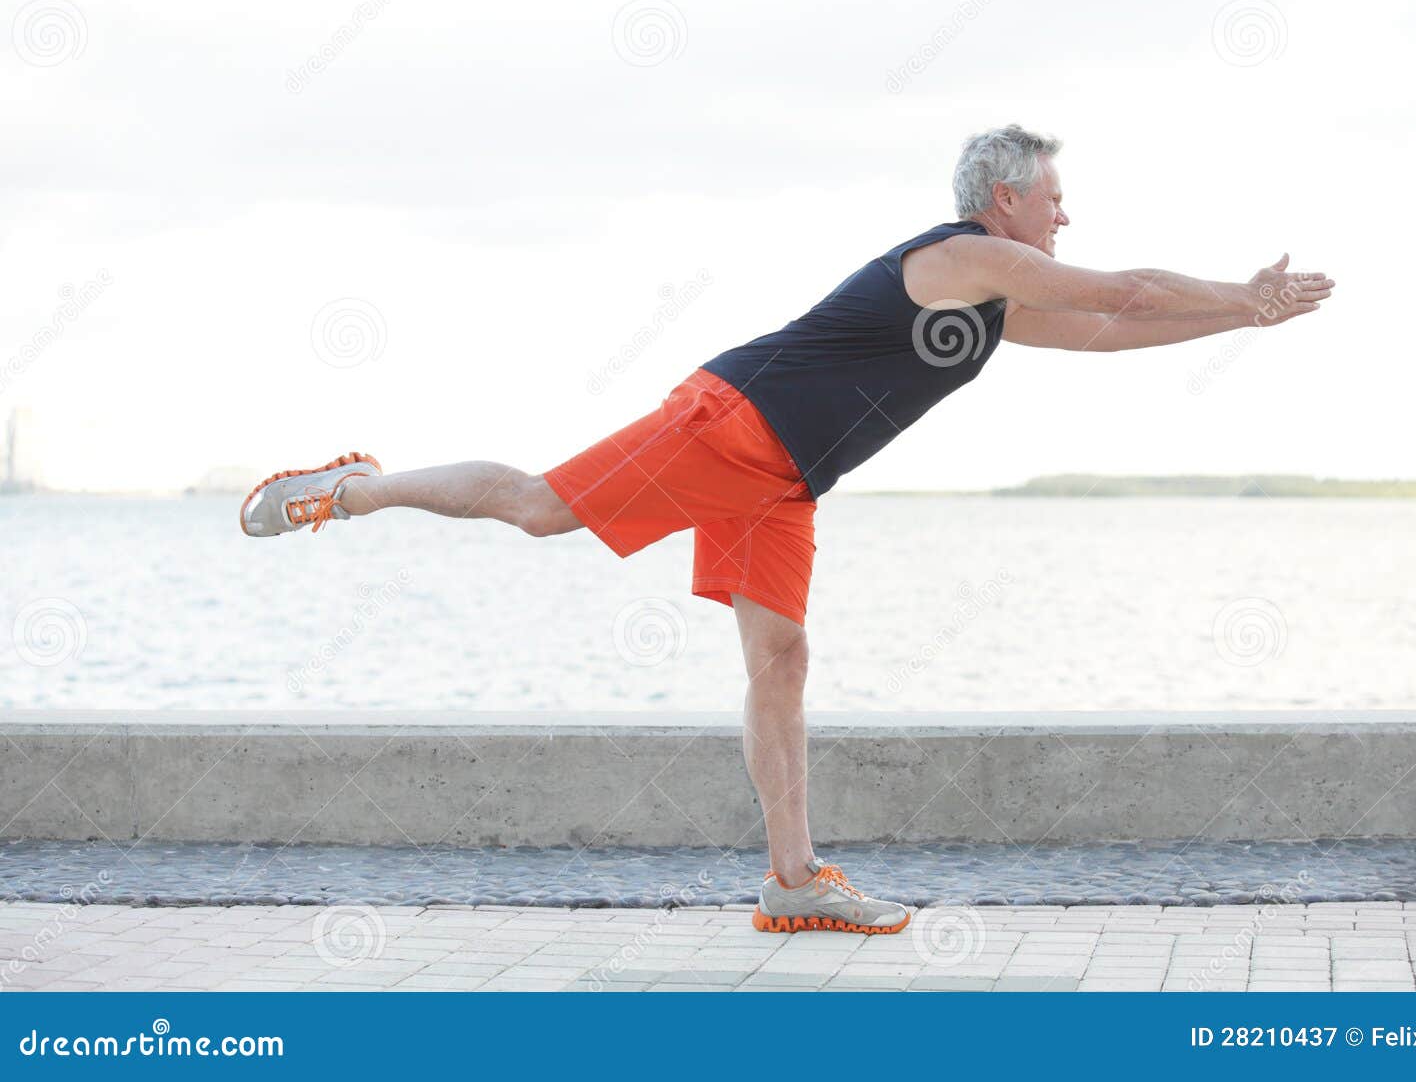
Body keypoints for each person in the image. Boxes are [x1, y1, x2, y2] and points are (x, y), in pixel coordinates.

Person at [240, 124, 1335, 934]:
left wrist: (1244, 313)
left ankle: (791, 878)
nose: (1064, 216)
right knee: (539, 510)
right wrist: (1242, 297)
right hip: (731, 422)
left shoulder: (997, 301)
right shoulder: (963, 255)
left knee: (780, 658)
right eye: (1054, 199)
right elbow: (1130, 290)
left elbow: (1101, 331)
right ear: (1002, 199)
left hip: (784, 479)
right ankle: (355, 486)